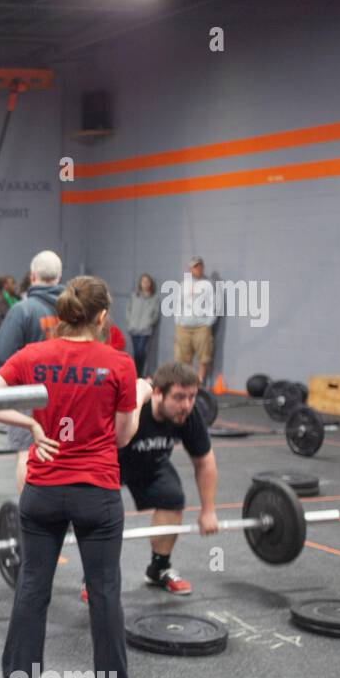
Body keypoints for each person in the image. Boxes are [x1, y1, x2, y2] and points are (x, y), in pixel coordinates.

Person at [0, 275, 148, 678]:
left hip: (43, 490)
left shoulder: (34, 355)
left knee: (33, 586)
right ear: (103, 317)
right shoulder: (119, 363)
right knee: (105, 591)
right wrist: (142, 396)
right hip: (97, 493)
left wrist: (31, 425)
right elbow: (124, 437)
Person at [93, 361, 217, 600]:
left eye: (192, 397)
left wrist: (208, 510)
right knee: (104, 510)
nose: (187, 405)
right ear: (157, 393)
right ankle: (95, 575)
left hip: (151, 464)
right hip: (110, 464)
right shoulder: (135, 405)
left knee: (172, 497)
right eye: (179, 397)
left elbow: (205, 461)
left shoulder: (187, 415)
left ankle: (159, 568)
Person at [0, 250, 65, 492]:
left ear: (33, 276)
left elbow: (3, 355)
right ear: (59, 277)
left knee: (27, 453)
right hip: (68, 393)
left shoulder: (22, 310)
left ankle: (29, 519)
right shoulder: (74, 310)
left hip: (30, 394)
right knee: (63, 454)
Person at [174, 255, 217, 386]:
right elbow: (178, 303)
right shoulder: (183, 284)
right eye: (194, 267)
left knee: (204, 356)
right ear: (190, 269)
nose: (197, 269)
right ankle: (186, 382)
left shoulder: (208, 285)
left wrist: (208, 322)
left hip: (201, 326)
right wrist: (178, 320)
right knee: (182, 357)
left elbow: (213, 304)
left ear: (202, 267)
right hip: (184, 326)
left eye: (199, 266)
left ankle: (199, 382)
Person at [124, 274, 161, 377]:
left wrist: (149, 322)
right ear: (140, 283)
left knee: (141, 351)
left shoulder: (154, 298)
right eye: (143, 281)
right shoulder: (134, 296)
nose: (145, 284)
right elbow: (128, 309)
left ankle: (139, 373)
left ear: (150, 284)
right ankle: (135, 373)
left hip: (145, 330)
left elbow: (156, 314)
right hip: (133, 328)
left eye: (147, 282)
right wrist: (130, 321)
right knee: (135, 352)